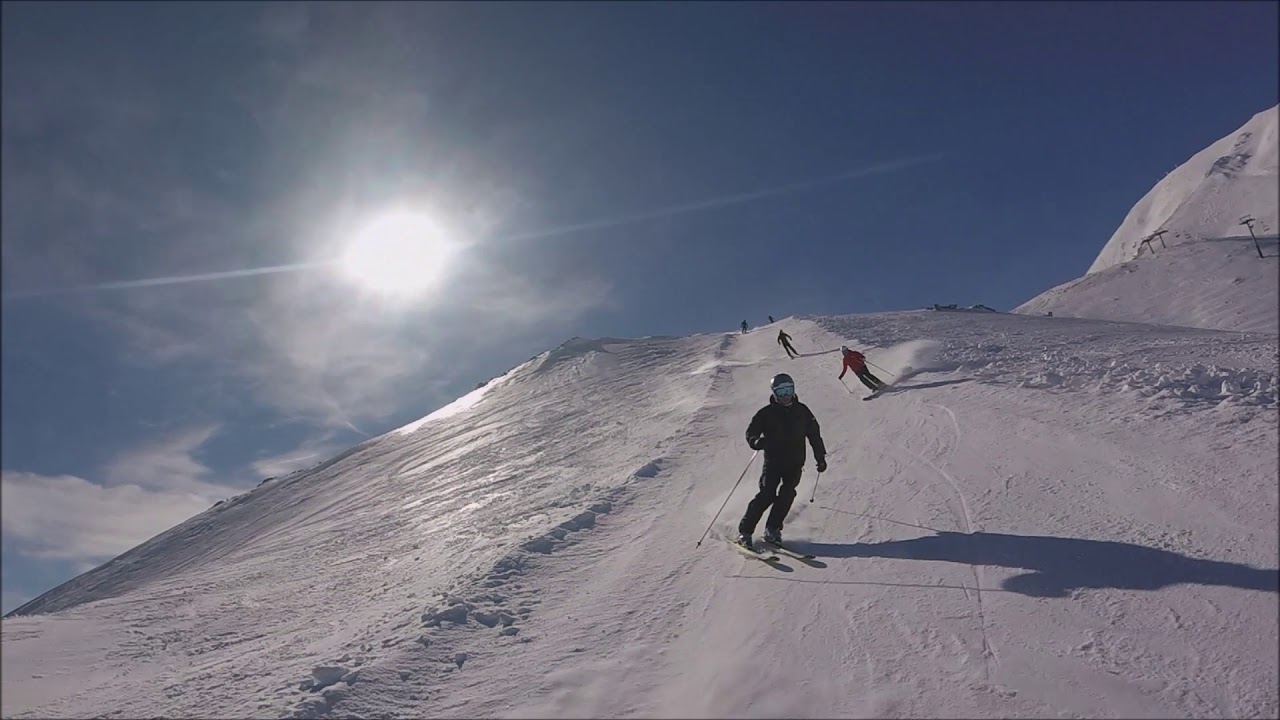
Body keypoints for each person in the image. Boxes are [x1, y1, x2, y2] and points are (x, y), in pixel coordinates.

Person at [737, 373, 827, 548]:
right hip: (773, 462)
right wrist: (756, 442)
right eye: (781, 391)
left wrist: (820, 456)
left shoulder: (802, 411)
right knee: (766, 495)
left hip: (795, 463)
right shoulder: (766, 413)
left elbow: (814, 434)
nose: (786, 395)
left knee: (787, 494)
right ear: (774, 393)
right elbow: (752, 432)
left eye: (789, 390)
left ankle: (772, 529)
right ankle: (745, 532)